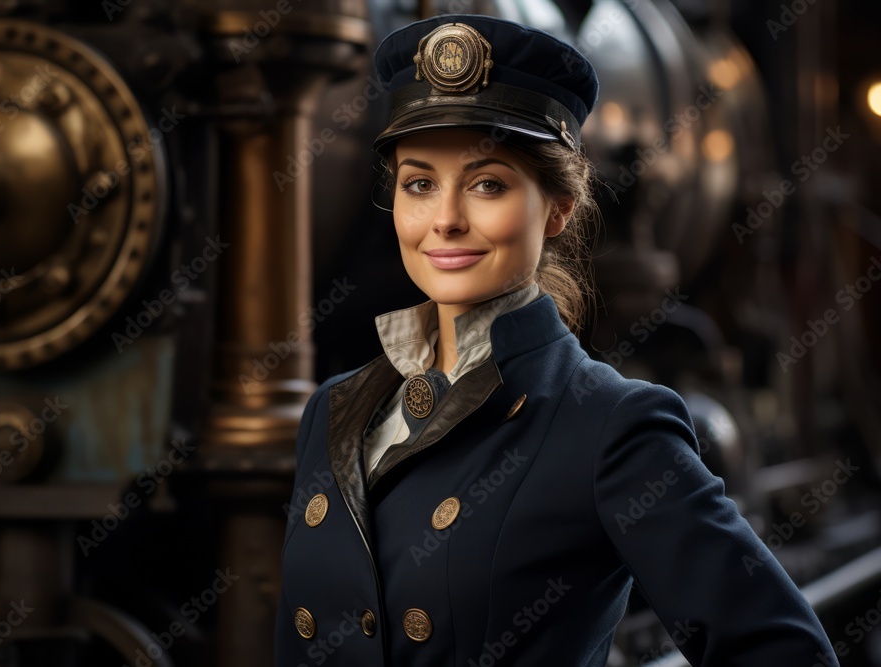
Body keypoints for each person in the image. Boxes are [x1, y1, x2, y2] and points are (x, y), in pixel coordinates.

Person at [275, 13, 838, 667]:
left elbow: (783, 650)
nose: (446, 219)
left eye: (488, 184)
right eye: (420, 183)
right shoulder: (335, 410)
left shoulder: (610, 425)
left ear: (559, 207)